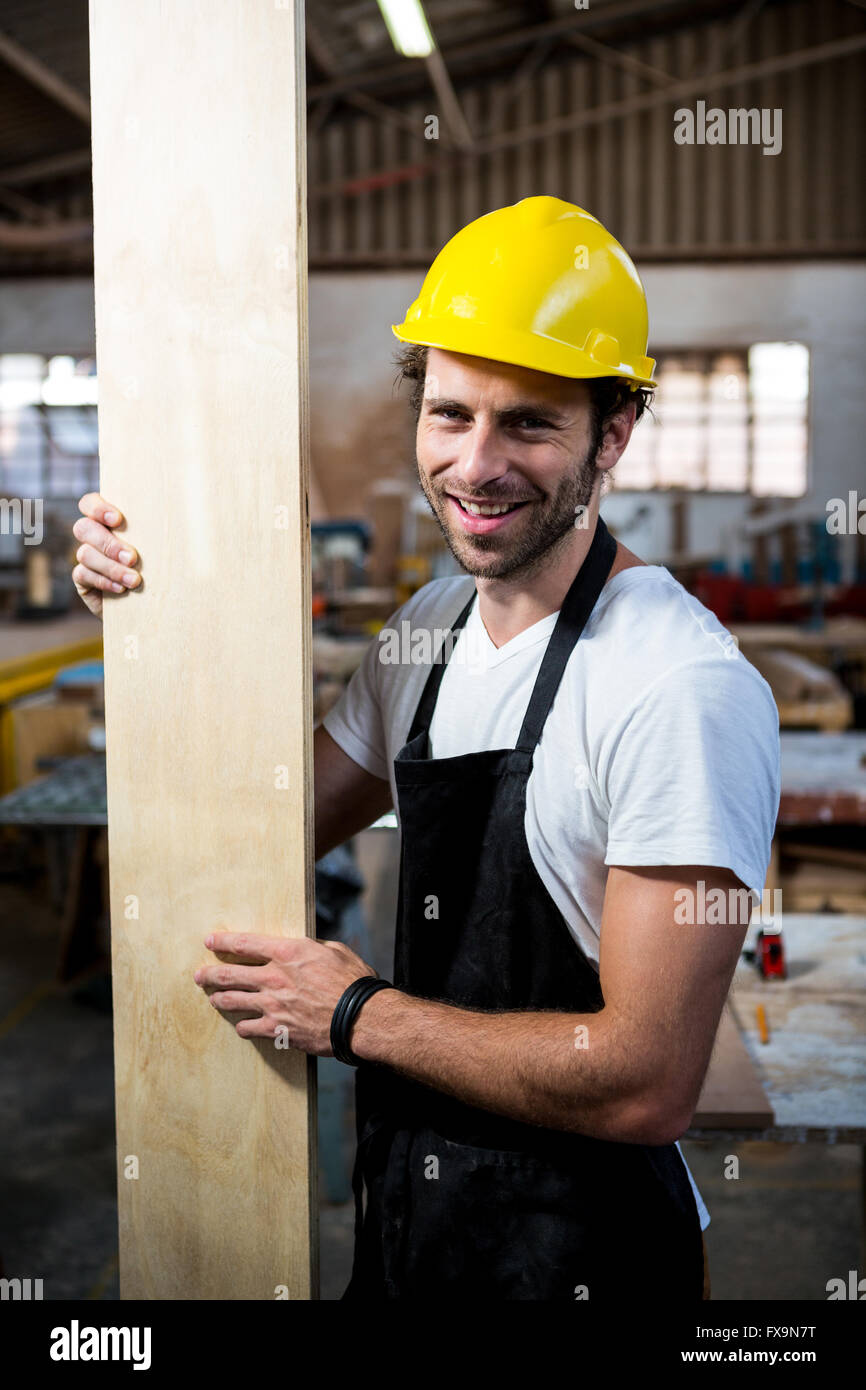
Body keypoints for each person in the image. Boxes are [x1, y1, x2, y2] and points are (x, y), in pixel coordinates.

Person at [72, 196, 779, 1301]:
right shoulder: (431, 627)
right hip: (414, 1227)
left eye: (530, 423)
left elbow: (647, 1082)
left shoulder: (675, 685)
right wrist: (154, 604)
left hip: (582, 1256)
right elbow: (248, 826)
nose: (476, 464)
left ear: (613, 432)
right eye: (449, 414)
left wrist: (358, 1015)